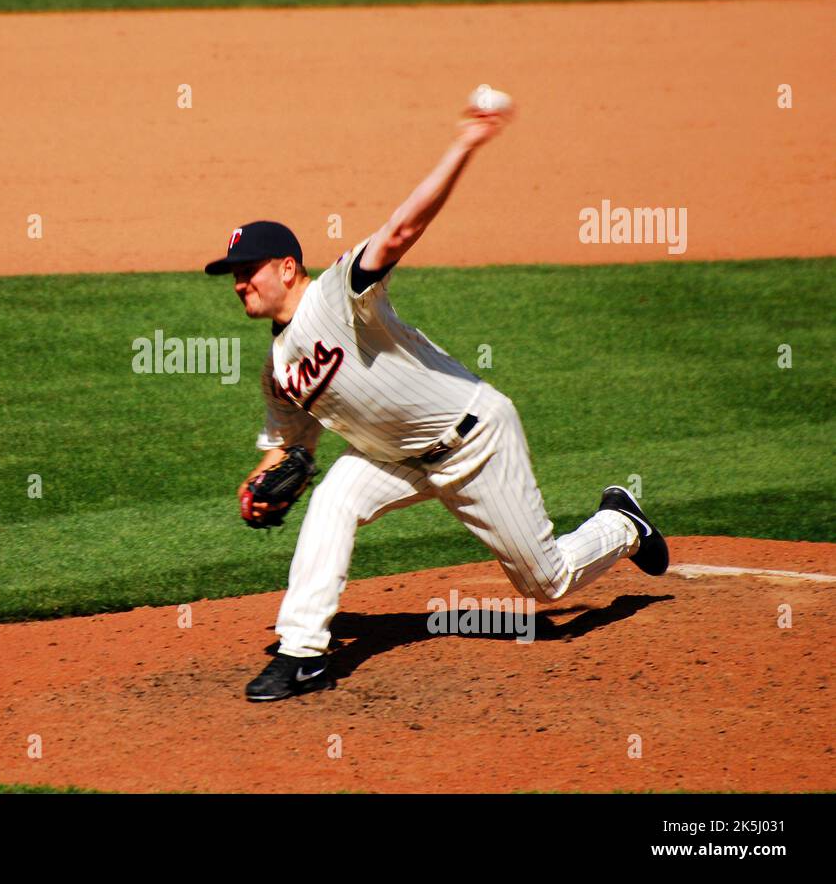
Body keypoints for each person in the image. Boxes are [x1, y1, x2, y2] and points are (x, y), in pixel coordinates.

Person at [202, 102, 669, 703]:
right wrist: (257, 493)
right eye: (233, 275)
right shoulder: (277, 372)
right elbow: (286, 449)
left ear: (288, 268)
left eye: (248, 270)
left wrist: (465, 146)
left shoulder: (337, 294)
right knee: (334, 498)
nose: (239, 283)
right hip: (393, 459)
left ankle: (621, 523)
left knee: (545, 585)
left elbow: (399, 230)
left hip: (476, 439)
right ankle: (302, 654)